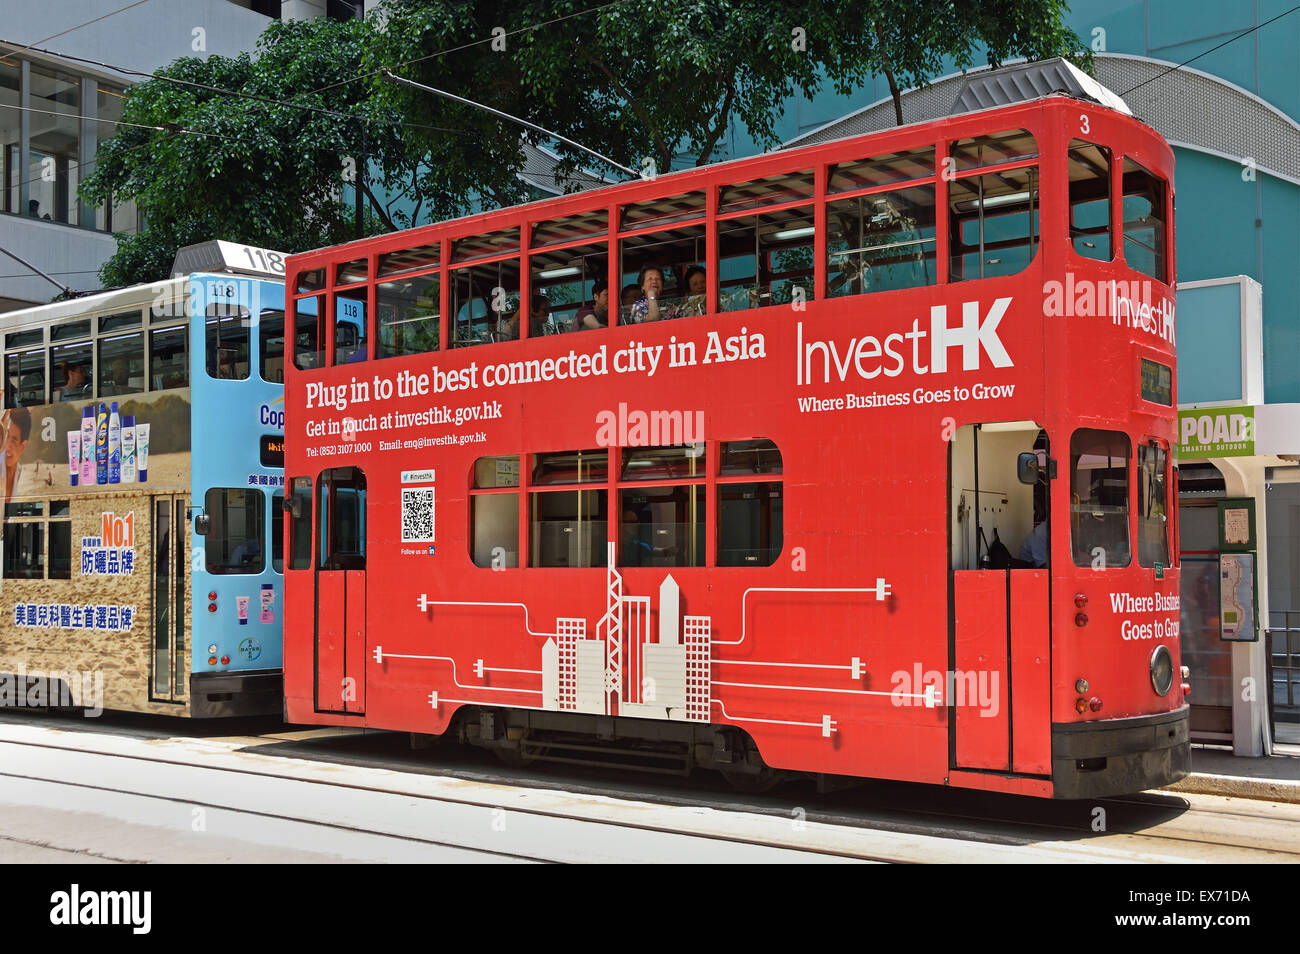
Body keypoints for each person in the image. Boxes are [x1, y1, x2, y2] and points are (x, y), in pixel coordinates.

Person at [3, 407, 31, 512]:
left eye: (14, 440)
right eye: (7, 436)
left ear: (22, 446)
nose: (8, 446)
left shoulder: (19, 471)